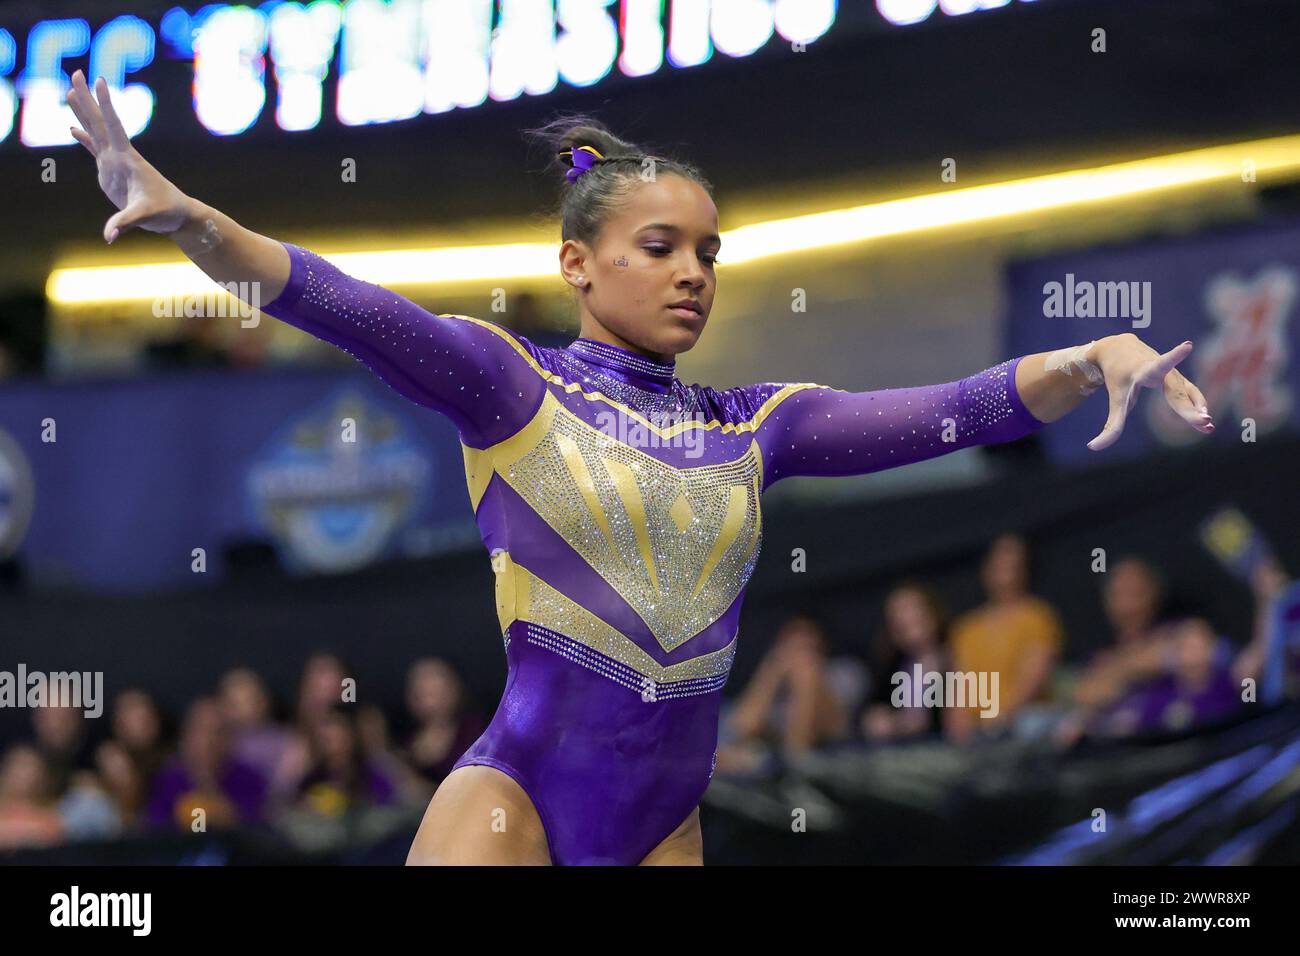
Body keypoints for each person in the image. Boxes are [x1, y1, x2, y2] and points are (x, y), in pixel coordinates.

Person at [68, 73, 1217, 864]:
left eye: (708, 252)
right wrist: (191, 222)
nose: (693, 274)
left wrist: (1084, 356)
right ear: (577, 262)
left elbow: (950, 410)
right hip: (509, 804)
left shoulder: (760, 424)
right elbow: (335, 299)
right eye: (660, 247)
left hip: (664, 824)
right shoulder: (511, 386)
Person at [945, 534, 1065, 743]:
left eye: (1013, 566)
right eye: (999, 565)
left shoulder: (1037, 617)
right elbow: (960, 686)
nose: (1006, 574)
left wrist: (1000, 717)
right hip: (979, 732)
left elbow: (1034, 676)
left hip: (1021, 726)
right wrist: (959, 727)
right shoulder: (967, 629)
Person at [860, 582, 951, 743]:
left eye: (913, 609)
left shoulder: (955, 654)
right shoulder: (891, 665)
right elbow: (873, 711)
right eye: (898, 613)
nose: (906, 616)